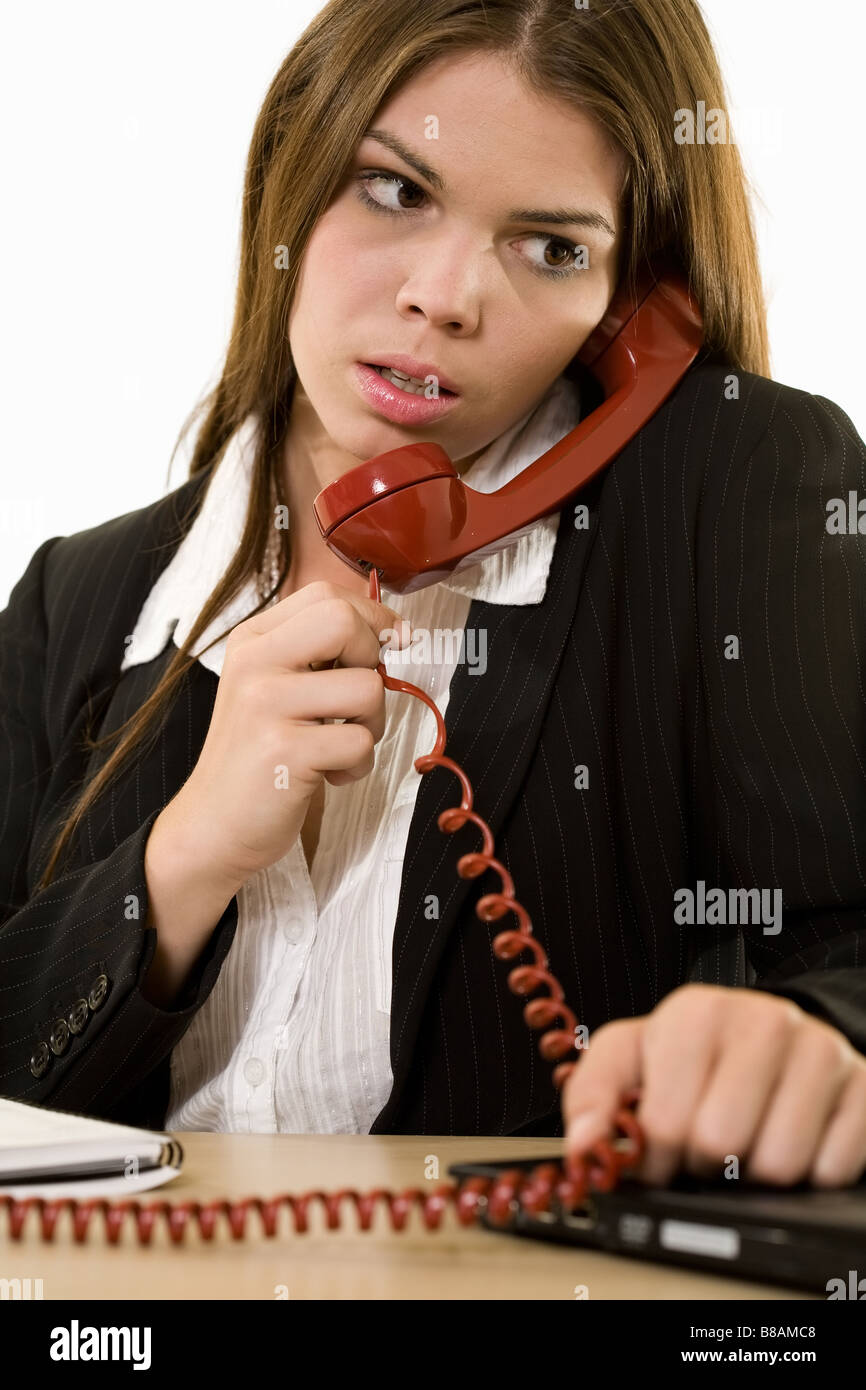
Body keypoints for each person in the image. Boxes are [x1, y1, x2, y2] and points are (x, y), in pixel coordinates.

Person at [1, 0, 864, 1191]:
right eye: (395, 190)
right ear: (288, 181)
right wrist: (183, 857)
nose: (447, 298)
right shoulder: (79, 596)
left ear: (624, 315)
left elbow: (850, 951)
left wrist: (816, 1044)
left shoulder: (732, 491)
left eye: (550, 247)